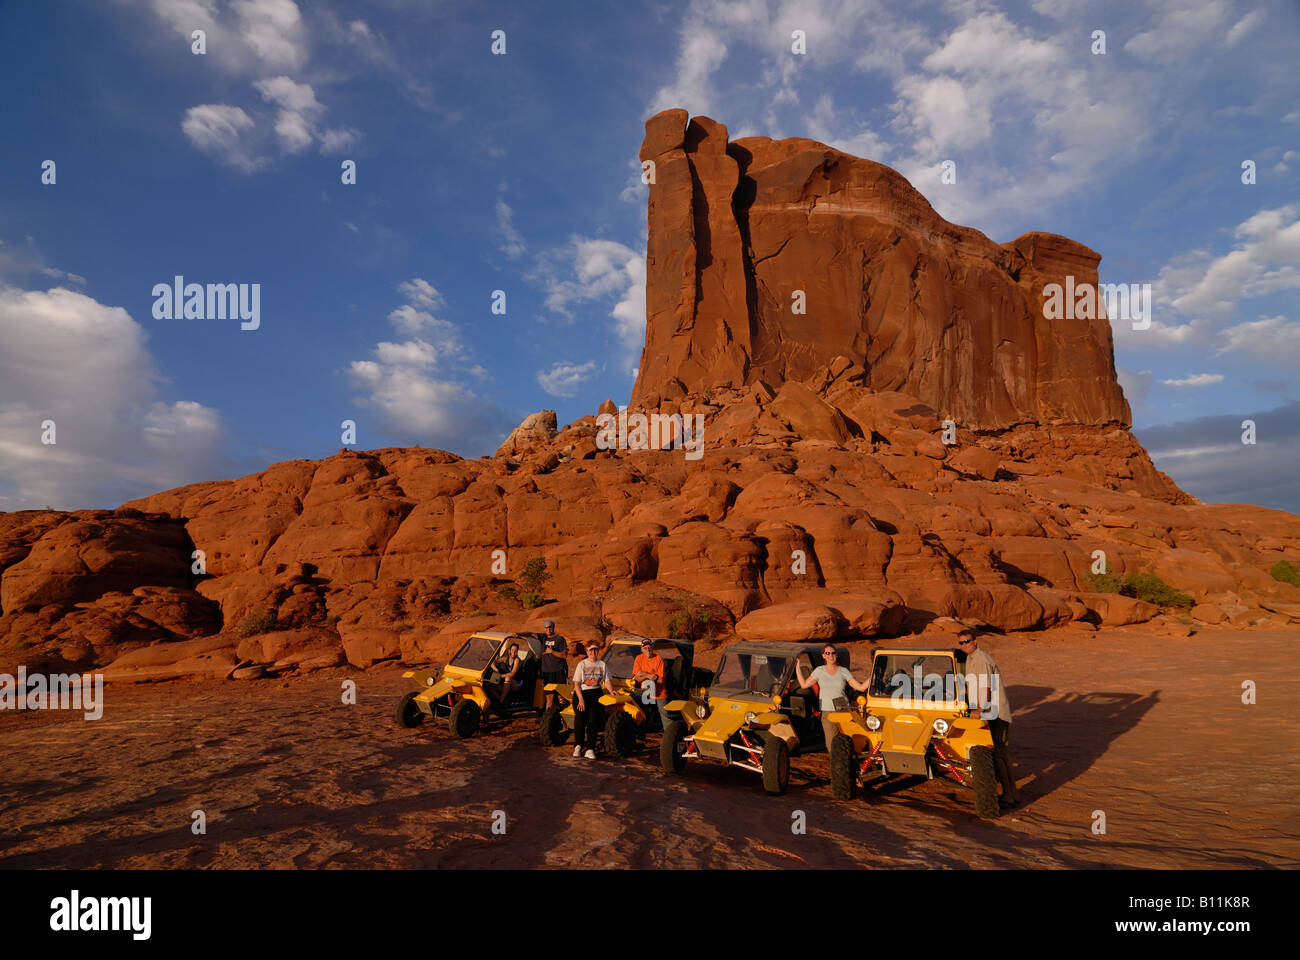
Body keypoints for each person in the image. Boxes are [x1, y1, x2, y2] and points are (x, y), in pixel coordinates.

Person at [957, 628, 1021, 808]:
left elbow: (985, 688)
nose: (965, 645)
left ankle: (1008, 795)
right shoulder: (970, 660)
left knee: (998, 755)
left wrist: (979, 709)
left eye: (967, 641)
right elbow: (971, 686)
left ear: (975, 641)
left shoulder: (981, 659)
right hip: (990, 710)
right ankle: (1013, 793)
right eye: (961, 643)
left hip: (995, 712)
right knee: (1003, 754)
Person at [795, 645, 869, 749]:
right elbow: (804, 685)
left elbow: (860, 687)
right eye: (827, 653)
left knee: (848, 742)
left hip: (844, 710)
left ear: (836, 655)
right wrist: (798, 667)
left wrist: (873, 676)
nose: (831, 656)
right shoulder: (819, 671)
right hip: (827, 712)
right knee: (831, 745)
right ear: (823, 656)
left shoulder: (843, 671)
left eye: (833, 653)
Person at [570, 640, 614, 760]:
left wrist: (611, 691)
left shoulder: (602, 664)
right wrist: (581, 700)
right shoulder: (582, 664)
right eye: (590, 650)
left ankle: (590, 748)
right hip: (581, 693)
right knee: (579, 718)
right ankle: (578, 745)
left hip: (596, 693)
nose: (593, 652)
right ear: (587, 651)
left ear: (598, 651)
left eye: (595, 649)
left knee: (592, 720)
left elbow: (607, 680)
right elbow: (577, 684)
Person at [631, 638, 673, 729]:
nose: (648, 650)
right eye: (645, 648)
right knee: (639, 710)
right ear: (642, 649)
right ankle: (642, 734)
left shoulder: (658, 659)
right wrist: (648, 676)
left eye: (649, 648)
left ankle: (670, 735)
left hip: (659, 692)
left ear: (652, 648)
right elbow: (637, 678)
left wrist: (644, 674)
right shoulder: (639, 658)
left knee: (665, 715)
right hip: (645, 691)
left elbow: (661, 680)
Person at [539, 620, 569, 709]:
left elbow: (564, 655)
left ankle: (563, 718)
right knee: (549, 697)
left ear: (553, 627)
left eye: (550, 627)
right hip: (547, 672)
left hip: (559, 671)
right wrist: (518, 634)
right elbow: (531, 634)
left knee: (562, 697)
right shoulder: (543, 638)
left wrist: (552, 651)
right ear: (544, 629)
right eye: (546, 627)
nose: (548, 629)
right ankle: (548, 719)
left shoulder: (560, 639)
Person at [487, 642, 523, 707]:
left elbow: (513, 673)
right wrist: (496, 670)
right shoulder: (505, 658)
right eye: (512, 650)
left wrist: (500, 676)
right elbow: (492, 662)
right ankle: (502, 700)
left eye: (515, 651)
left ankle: (500, 702)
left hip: (517, 683)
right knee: (490, 688)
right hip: (506, 683)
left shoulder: (517, 660)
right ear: (509, 650)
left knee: (508, 678)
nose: (513, 652)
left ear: (517, 652)